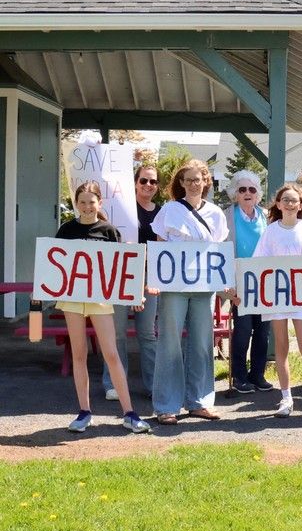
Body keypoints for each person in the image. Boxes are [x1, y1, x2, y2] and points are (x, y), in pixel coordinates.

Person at [59, 182, 150, 434]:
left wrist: (135, 294)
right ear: (76, 203)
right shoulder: (66, 230)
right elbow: (56, 264)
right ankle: (84, 412)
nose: (87, 207)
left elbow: (121, 268)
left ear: (99, 203)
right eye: (83, 202)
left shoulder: (109, 230)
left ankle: (130, 413)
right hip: (72, 299)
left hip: (100, 300)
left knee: (111, 354)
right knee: (79, 354)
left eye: (92, 202)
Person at [150, 159, 229, 425]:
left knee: (202, 343)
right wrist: (156, 280)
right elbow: (160, 247)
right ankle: (166, 405)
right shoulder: (170, 210)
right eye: (189, 180)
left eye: (199, 179)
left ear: (206, 181)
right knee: (169, 343)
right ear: (181, 183)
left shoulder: (216, 214)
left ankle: (200, 401)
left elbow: (218, 252)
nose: (195, 184)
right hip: (174, 287)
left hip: (204, 287)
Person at [253, 184, 302, 419]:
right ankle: (286, 398)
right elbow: (259, 262)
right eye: (285, 200)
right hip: (277, 297)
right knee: (281, 347)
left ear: (300, 204)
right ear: (278, 204)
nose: (289, 204)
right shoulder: (270, 231)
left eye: (294, 200)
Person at [102, 164, 161, 401]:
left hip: (149, 279)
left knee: (147, 333)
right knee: (116, 333)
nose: (148, 185)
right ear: (135, 182)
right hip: (120, 275)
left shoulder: (162, 212)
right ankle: (113, 383)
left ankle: (153, 384)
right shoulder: (120, 209)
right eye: (144, 181)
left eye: (153, 182)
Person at [224, 170, 274, 394]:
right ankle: (240, 376)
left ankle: (258, 374)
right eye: (242, 189)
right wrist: (227, 286)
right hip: (239, 283)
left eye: (252, 189)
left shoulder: (267, 216)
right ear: (235, 193)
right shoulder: (226, 216)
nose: (247, 193)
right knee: (243, 330)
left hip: (264, 283)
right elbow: (221, 252)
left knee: (263, 332)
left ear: (257, 194)